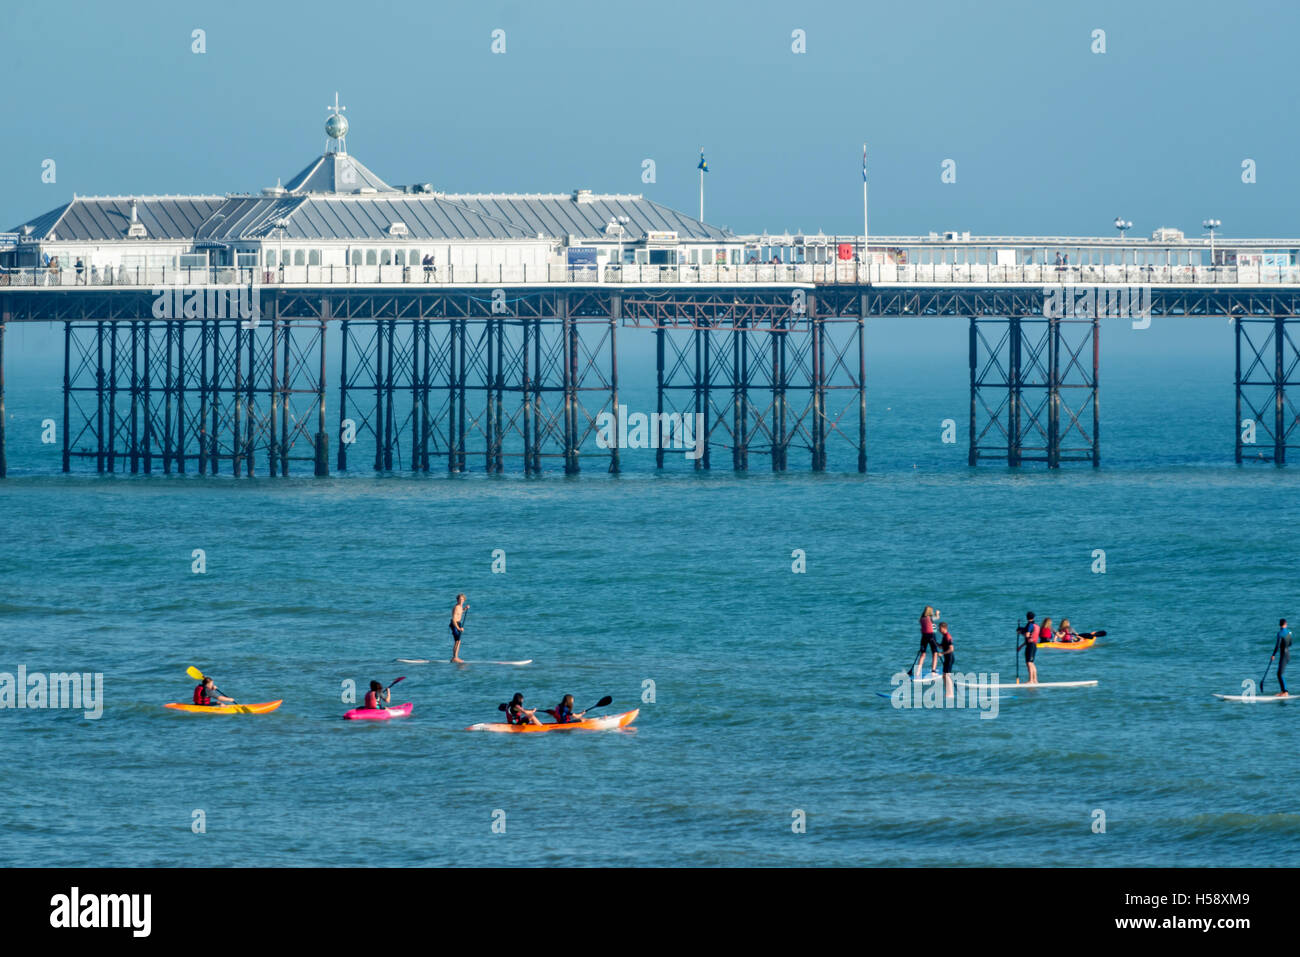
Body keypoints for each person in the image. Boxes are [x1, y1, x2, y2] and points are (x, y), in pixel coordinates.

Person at [909, 605, 940, 678]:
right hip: (931, 636)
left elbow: (924, 627)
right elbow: (937, 619)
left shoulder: (921, 619)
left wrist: (933, 626)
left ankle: (918, 672)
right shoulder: (931, 618)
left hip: (924, 637)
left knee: (923, 654)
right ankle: (933, 671)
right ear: (930, 612)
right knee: (935, 653)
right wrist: (937, 613)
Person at [1271, 618, 1293, 697]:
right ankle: (1283, 691)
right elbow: (1290, 643)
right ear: (1285, 624)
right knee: (1279, 673)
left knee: (1279, 674)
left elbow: (1277, 646)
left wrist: (1273, 655)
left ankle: (1285, 692)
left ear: (1279, 625)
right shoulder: (1289, 632)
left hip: (1283, 655)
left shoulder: (1280, 633)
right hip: (1288, 655)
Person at [1018, 612, 1040, 684]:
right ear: (1033, 617)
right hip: (1034, 645)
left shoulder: (1030, 625)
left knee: (1029, 663)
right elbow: (1030, 638)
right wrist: (1021, 646)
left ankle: (1031, 680)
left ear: (1027, 617)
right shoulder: (1035, 625)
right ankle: (1035, 680)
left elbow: (1027, 635)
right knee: (1032, 663)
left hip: (1030, 646)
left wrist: (1020, 633)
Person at [938, 622, 956, 699]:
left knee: (947, 676)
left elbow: (951, 649)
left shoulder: (948, 636)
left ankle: (950, 694)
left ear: (944, 628)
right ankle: (948, 692)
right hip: (946, 658)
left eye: (940, 628)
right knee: (944, 676)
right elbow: (942, 646)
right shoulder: (944, 636)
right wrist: (934, 642)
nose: (939, 630)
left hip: (950, 658)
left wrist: (942, 653)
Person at [449, 594, 469, 663]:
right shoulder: (456, 607)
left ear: (464, 600)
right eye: (460, 599)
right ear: (457, 600)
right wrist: (458, 628)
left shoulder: (460, 607)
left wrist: (465, 609)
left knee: (458, 641)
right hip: (454, 624)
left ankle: (455, 657)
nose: (461, 601)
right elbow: (454, 619)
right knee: (457, 641)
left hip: (458, 624)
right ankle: (455, 657)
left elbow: (460, 613)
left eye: (462, 599)